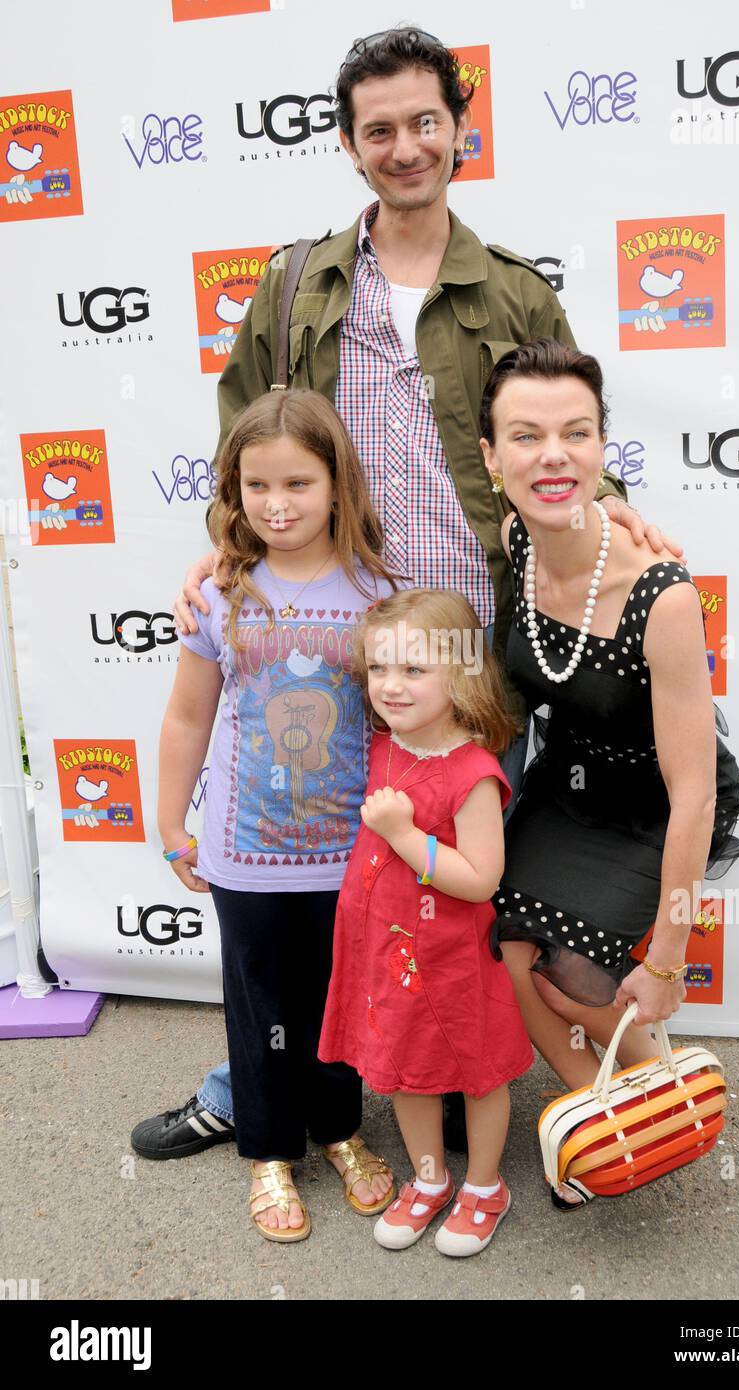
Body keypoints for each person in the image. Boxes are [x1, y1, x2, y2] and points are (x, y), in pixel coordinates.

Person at [132, 23, 677, 1162]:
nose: (404, 146)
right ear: (349, 143)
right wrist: (221, 544)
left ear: (458, 129)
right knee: (308, 882)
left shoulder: (514, 293)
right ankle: (257, 1084)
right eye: (377, 128)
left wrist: (612, 509)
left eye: (423, 121)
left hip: (480, 651)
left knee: (454, 893)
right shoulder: (293, 286)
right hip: (343, 648)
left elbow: (562, 432)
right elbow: (246, 439)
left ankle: (467, 1107)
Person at [478, 340, 739, 1208]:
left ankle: (662, 1099)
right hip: (568, 785)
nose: (551, 455)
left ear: (602, 449)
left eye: (575, 433)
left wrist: (669, 954)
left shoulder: (662, 594)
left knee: (574, 970)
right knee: (503, 939)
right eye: (525, 436)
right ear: (491, 459)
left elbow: (695, 793)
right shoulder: (515, 538)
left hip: (655, 805)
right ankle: (591, 1113)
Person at [157, 388, 401, 1239]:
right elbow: (189, 716)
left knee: (339, 1000)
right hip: (243, 853)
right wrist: (169, 824)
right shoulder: (221, 594)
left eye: (297, 483)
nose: (276, 504)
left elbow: (404, 719)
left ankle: (339, 1132)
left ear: (336, 483)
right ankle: (268, 1153)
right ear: (234, 490)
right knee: (258, 1005)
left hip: (350, 854)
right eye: (256, 486)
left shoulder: (378, 590)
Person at [318, 589, 533, 1256]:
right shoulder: (383, 745)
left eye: (413, 670)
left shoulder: (472, 771)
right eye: (379, 668)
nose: (391, 685)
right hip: (384, 953)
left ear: (460, 673)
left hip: (452, 957)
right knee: (400, 1069)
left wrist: (403, 835)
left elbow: (479, 878)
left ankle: (485, 1186)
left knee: (477, 1073)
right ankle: (430, 1177)